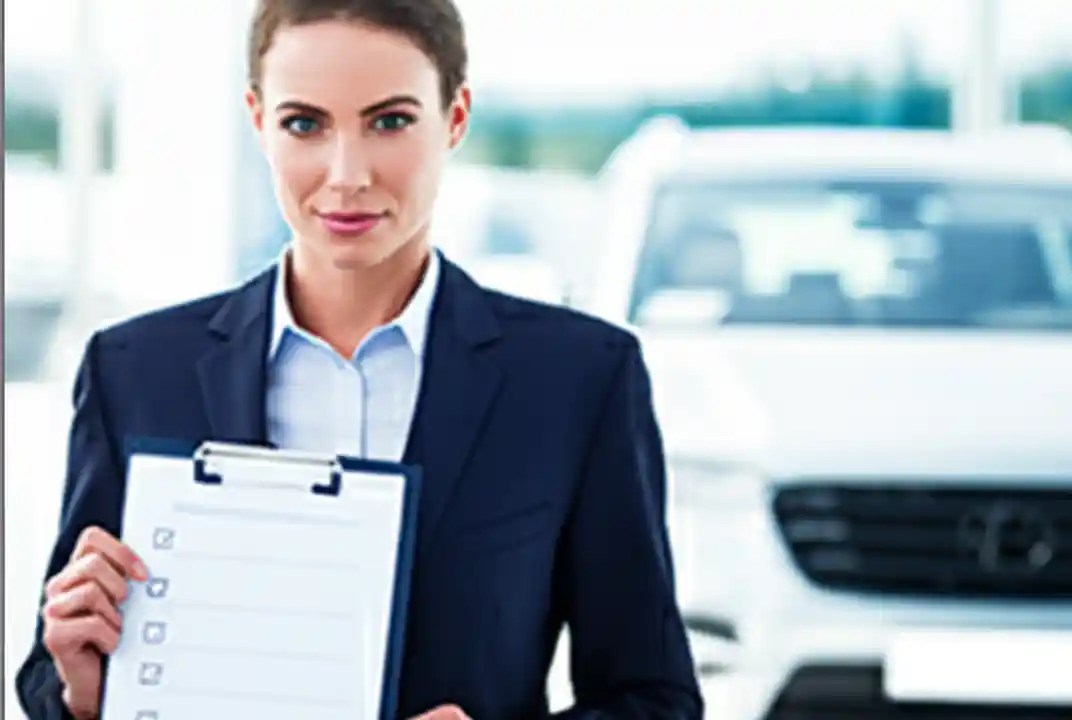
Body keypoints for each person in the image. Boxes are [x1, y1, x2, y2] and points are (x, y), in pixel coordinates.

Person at [15, 0, 703, 717]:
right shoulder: (134, 372)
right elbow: (51, 682)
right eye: (304, 124)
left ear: (455, 118)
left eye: (390, 121)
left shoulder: (577, 381)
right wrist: (81, 693)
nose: (346, 174)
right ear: (259, 121)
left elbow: (653, 699)